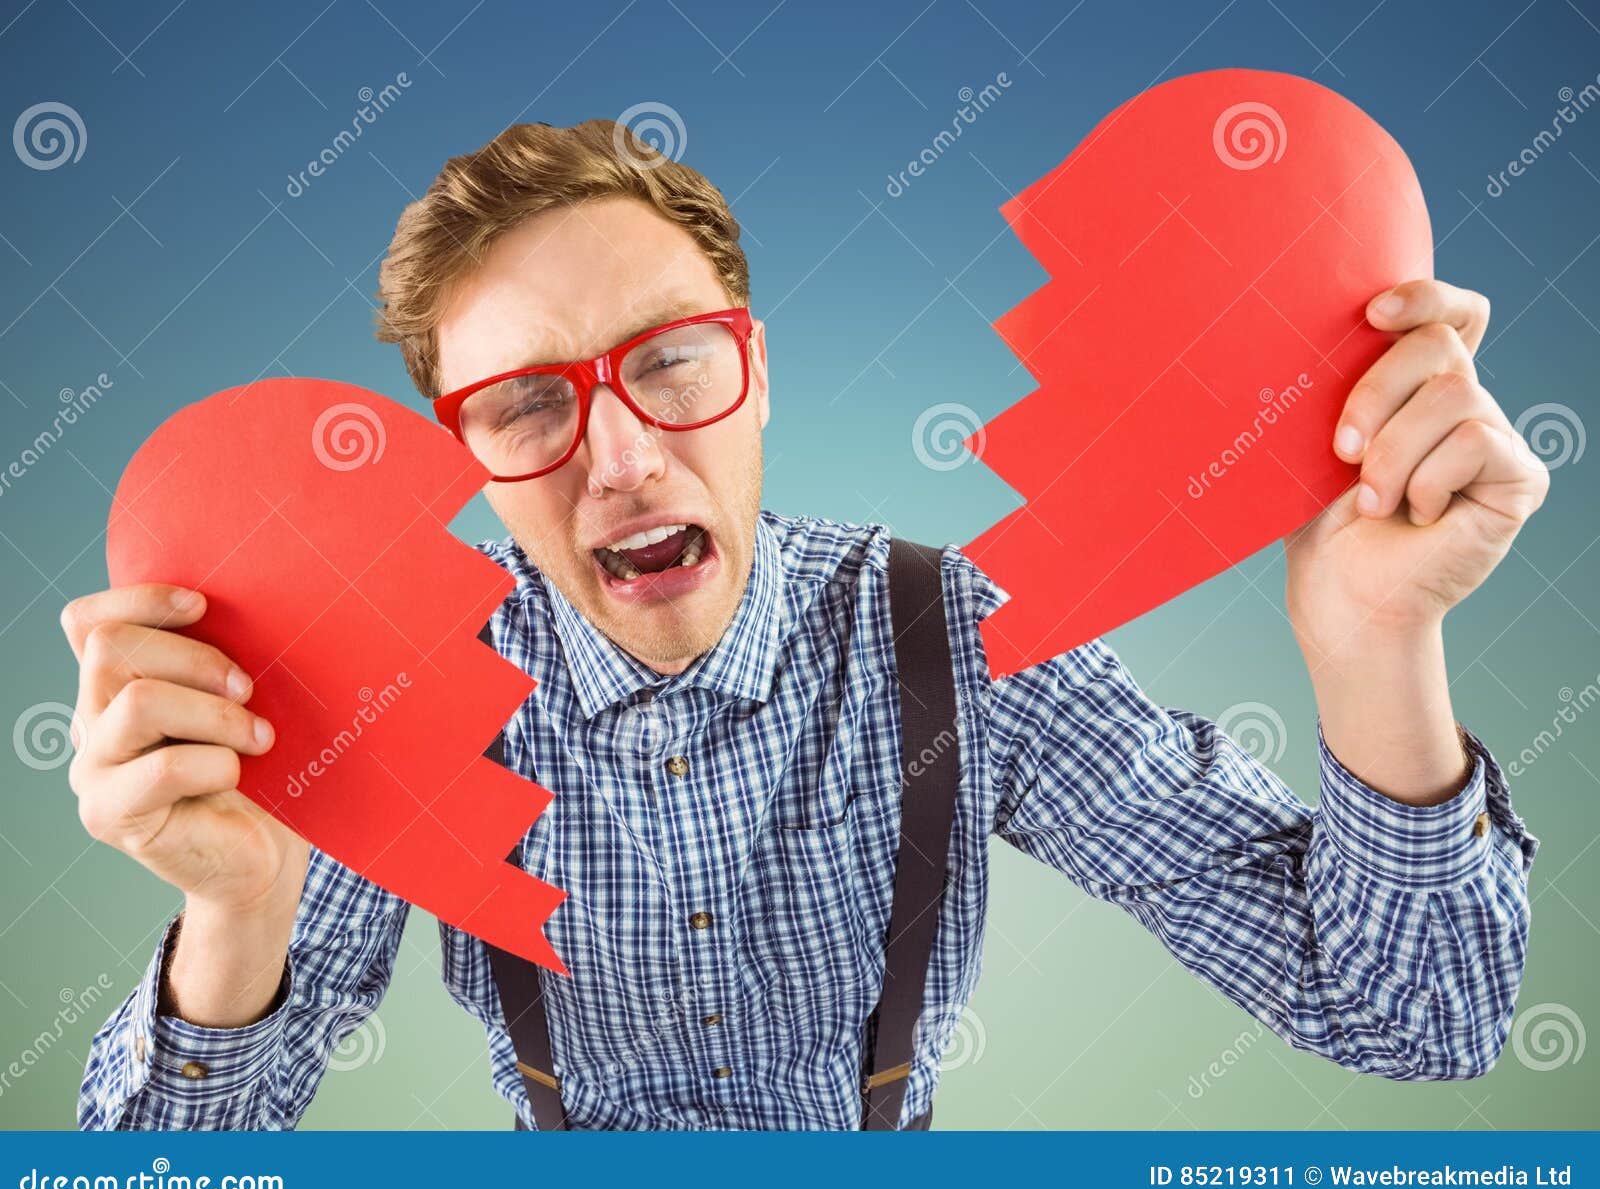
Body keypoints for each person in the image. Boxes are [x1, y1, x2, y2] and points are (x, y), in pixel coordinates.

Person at [68, 119, 1544, 1131]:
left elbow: (1423, 1023)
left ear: (758, 375)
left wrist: (1373, 645)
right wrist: (239, 907)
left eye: (676, 361)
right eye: (528, 405)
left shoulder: (950, 640)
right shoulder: (405, 691)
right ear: (470, 464)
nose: (627, 456)